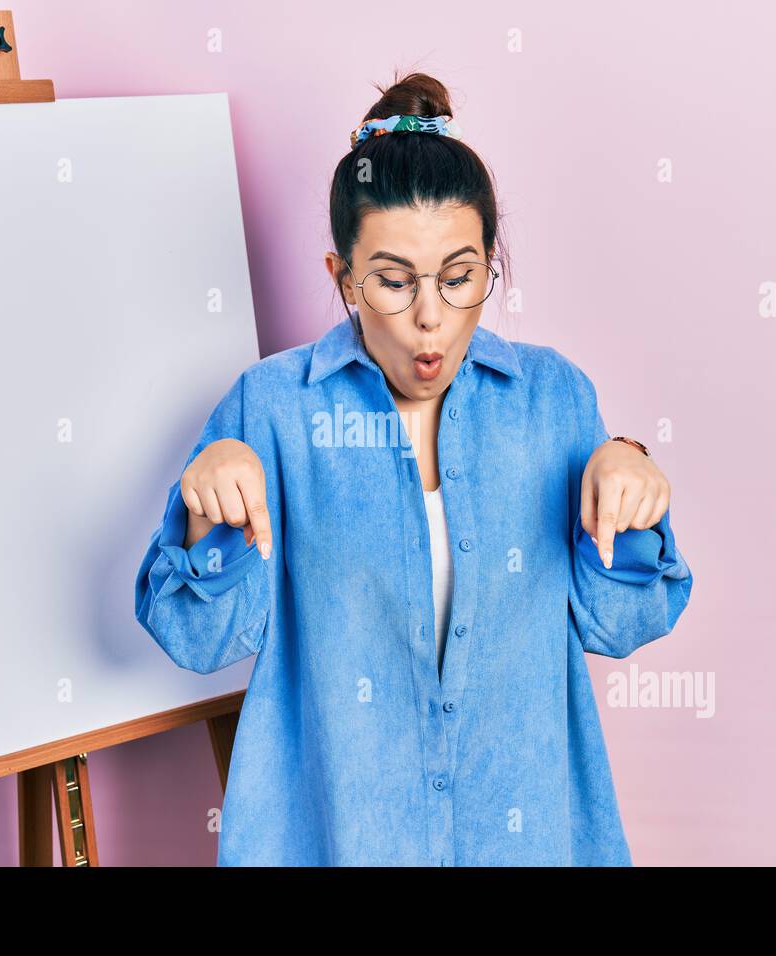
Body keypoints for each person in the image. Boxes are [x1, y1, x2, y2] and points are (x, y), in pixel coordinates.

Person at [134, 71, 693, 866]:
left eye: (460, 278)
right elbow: (198, 639)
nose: (430, 316)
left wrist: (631, 489)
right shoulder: (273, 411)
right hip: (335, 841)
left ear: (490, 263)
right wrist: (206, 509)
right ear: (343, 279)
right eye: (393, 283)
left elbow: (624, 623)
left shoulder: (553, 401)